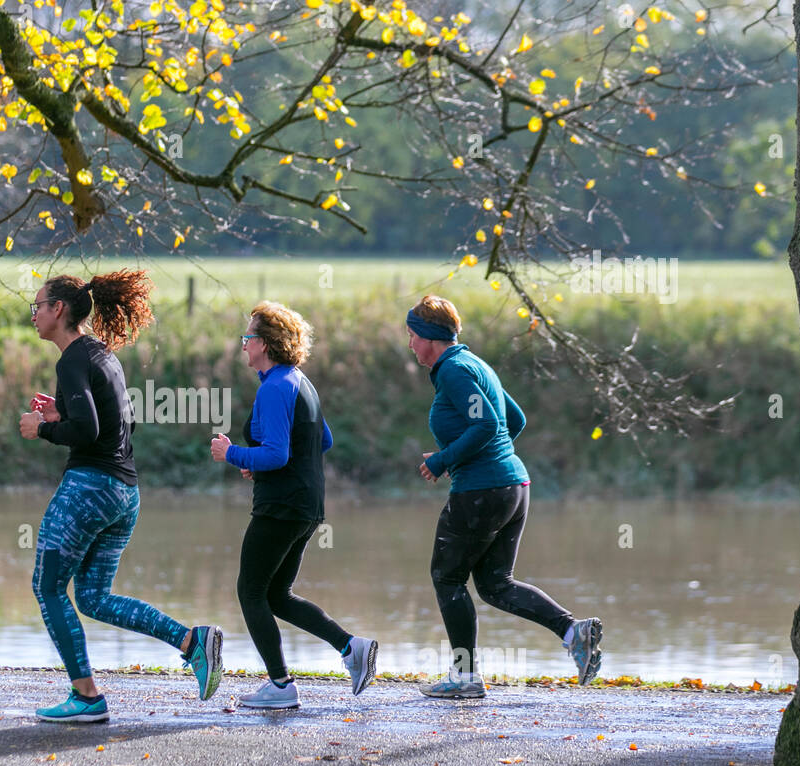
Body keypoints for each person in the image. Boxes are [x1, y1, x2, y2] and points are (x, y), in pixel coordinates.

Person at [20, 269, 222, 722]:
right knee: (91, 597)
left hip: (88, 490)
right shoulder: (102, 355)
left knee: (47, 586)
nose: (32, 315)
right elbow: (120, 424)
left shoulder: (72, 359)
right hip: (124, 495)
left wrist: (44, 428)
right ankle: (192, 642)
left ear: (58, 310)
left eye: (37, 306)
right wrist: (60, 411)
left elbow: (88, 430)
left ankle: (87, 698)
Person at [407, 294, 603, 698]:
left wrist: (447, 460)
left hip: (482, 491)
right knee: (495, 583)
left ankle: (464, 677)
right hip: (513, 486)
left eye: (412, 336)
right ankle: (572, 632)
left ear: (429, 337)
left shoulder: (454, 371)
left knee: (447, 578)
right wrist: (489, 461)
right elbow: (515, 420)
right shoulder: (475, 364)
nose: (410, 345)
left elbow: (487, 425)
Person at [211, 301, 378, 709]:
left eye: (247, 337)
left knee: (250, 592)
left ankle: (281, 685)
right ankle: (351, 647)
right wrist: (261, 465)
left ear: (265, 344)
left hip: (280, 507)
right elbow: (323, 442)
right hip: (306, 505)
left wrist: (233, 454)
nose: (243, 345)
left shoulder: (273, 388)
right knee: (277, 595)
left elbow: (277, 454)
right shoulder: (300, 382)